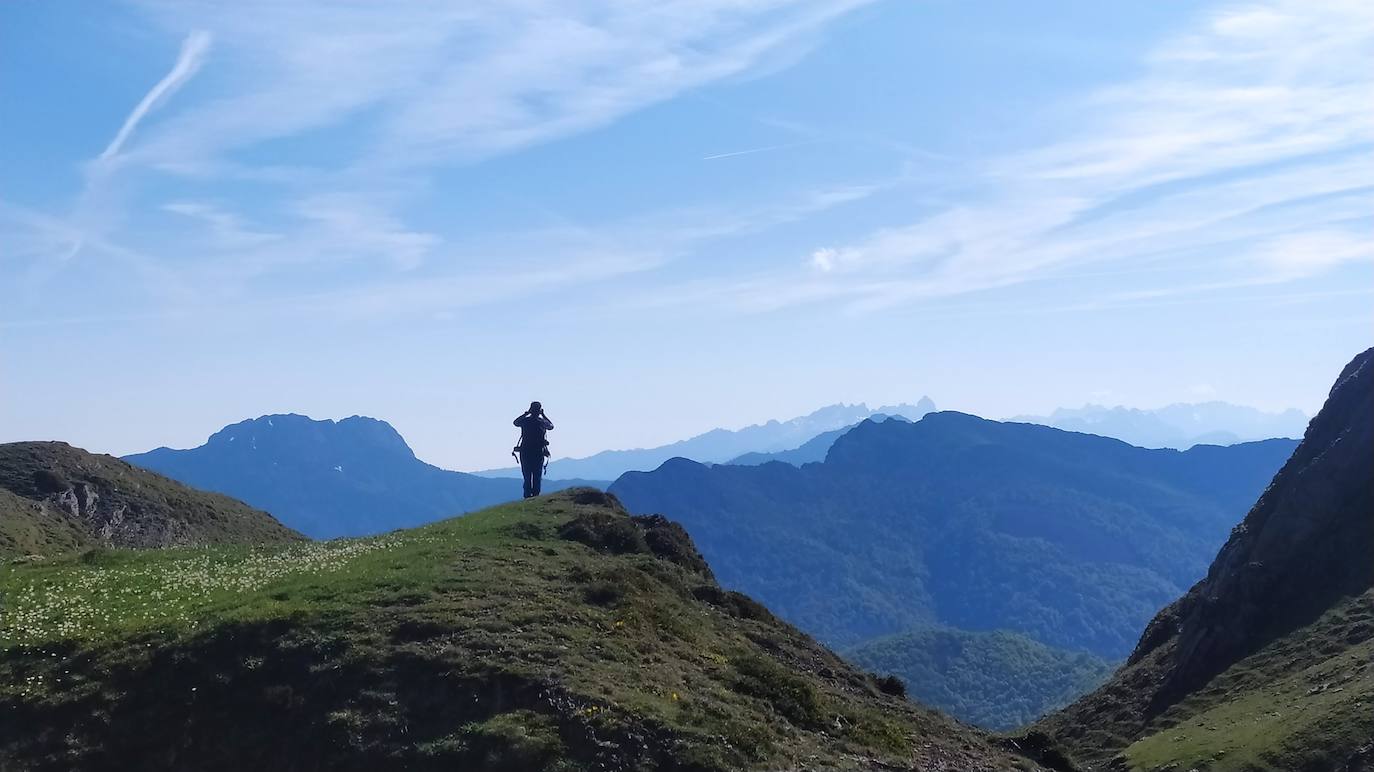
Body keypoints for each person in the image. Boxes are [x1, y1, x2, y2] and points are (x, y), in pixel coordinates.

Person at [513, 401, 554, 498]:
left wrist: (526, 414)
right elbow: (551, 426)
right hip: (538, 452)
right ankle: (535, 495)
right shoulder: (542, 422)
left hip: (525, 451)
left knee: (527, 475)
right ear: (539, 410)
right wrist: (544, 415)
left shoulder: (525, 421)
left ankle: (527, 495)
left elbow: (515, 422)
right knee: (537, 475)